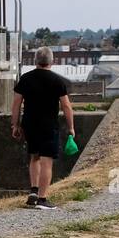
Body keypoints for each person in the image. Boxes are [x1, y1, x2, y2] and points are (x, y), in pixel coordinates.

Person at [11, 46, 75, 210]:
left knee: (34, 156)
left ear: (35, 61)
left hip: (30, 124)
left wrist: (15, 124)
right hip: (49, 125)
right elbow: (66, 106)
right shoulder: (57, 81)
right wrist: (71, 128)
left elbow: (16, 103)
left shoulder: (25, 79)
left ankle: (33, 191)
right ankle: (42, 199)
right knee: (47, 161)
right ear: (52, 61)